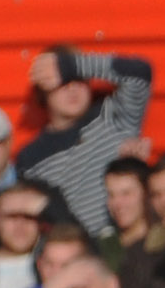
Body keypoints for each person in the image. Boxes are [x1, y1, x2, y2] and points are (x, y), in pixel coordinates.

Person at [16, 46, 154, 236]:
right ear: (42, 91)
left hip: (133, 241)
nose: (73, 89)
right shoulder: (30, 158)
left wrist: (73, 65)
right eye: (64, 82)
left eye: (79, 80)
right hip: (80, 248)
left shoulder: (113, 115)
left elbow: (140, 74)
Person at [99, 156, 165, 288]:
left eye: (126, 193)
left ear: (146, 194)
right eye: (111, 195)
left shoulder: (160, 244)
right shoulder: (103, 249)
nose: (117, 203)